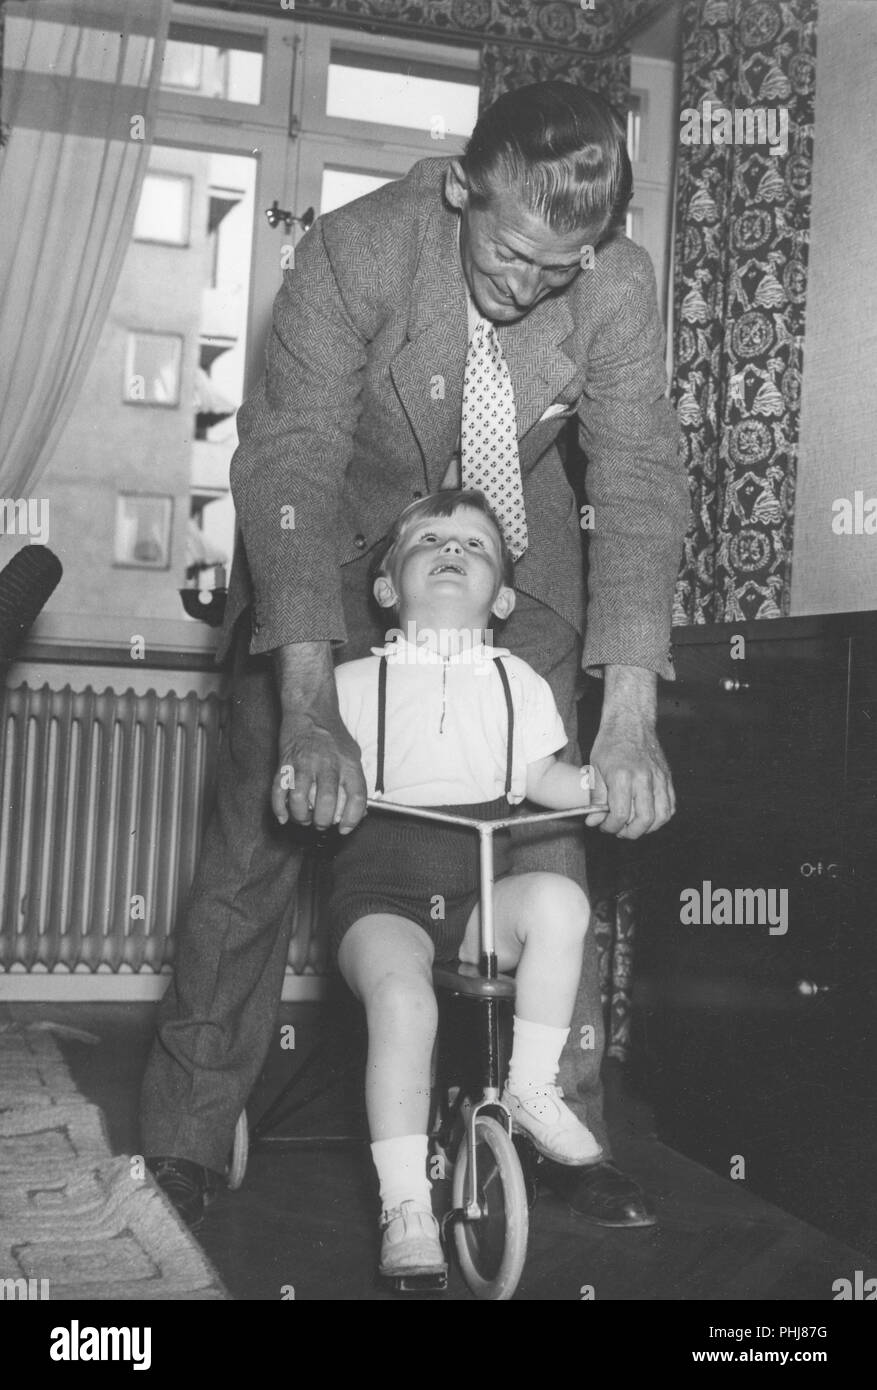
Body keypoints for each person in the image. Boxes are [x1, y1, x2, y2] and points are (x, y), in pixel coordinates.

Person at [140, 80, 689, 1231]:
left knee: (550, 838)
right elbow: (286, 465)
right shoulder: (357, 251)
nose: (529, 288)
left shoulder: (617, 284)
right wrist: (306, 709)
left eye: (560, 269)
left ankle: (549, 1118)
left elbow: (637, 489)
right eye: (509, 256)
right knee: (261, 830)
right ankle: (187, 1135)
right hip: (333, 540)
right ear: (459, 187)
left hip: (515, 557)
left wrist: (628, 709)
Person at [330, 488, 605, 1278]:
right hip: (382, 902)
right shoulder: (353, 684)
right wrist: (308, 786)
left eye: (475, 545)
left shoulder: (516, 680)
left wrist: (603, 787)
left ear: (504, 599)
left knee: (559, 899)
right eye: (431, 540)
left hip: (477, 896)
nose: (452, 550)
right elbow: (320, 780)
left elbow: (544, 778)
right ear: (387, 587)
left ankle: (529, 1088)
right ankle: (404, 1202)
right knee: (404, 999)